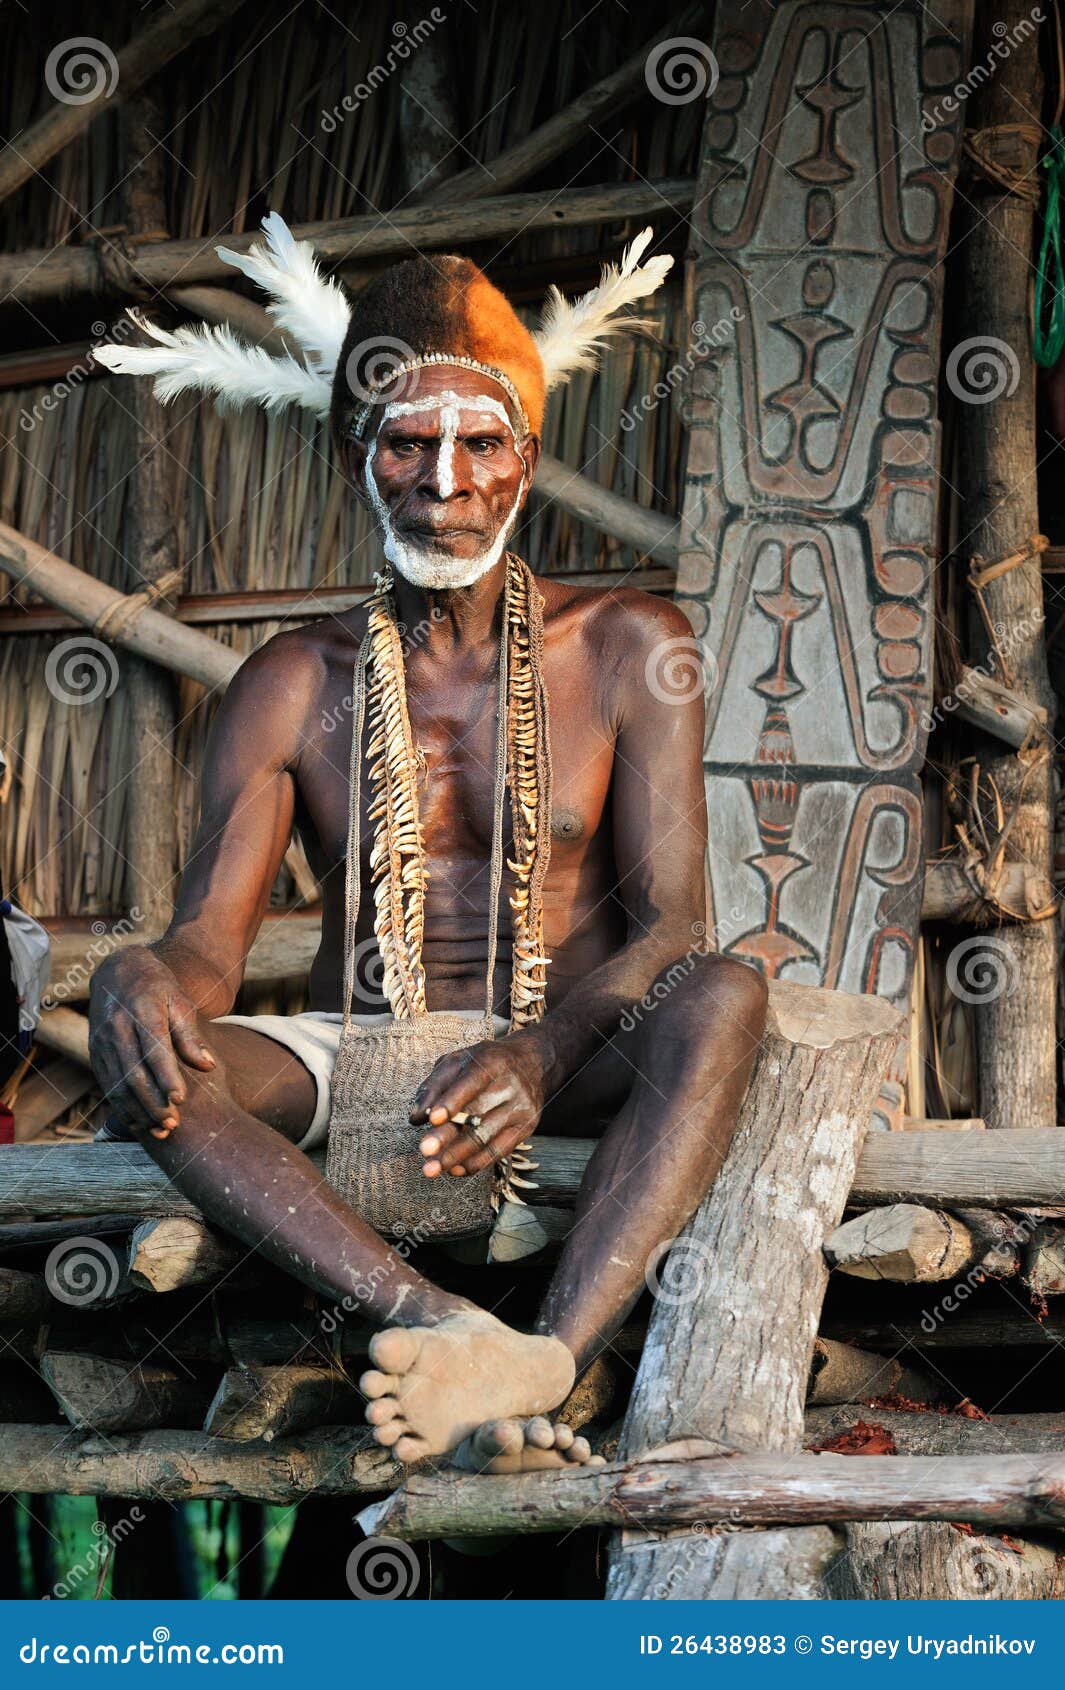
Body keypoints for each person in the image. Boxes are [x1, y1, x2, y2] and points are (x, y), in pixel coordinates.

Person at [90, 221, 767, 1473]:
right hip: (364, 1054)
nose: (444, 479)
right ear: (360, 454)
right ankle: (451, 1328)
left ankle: (550, 1347)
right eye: (407, 441)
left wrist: (543, 1048)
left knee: (724, 992)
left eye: (480, 443)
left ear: (525, 461)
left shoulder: (629, 644)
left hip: (579, 1044)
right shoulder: (293, 679)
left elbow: (674, 926)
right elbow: (207, 950)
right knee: (159, 1074)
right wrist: (138, 975)